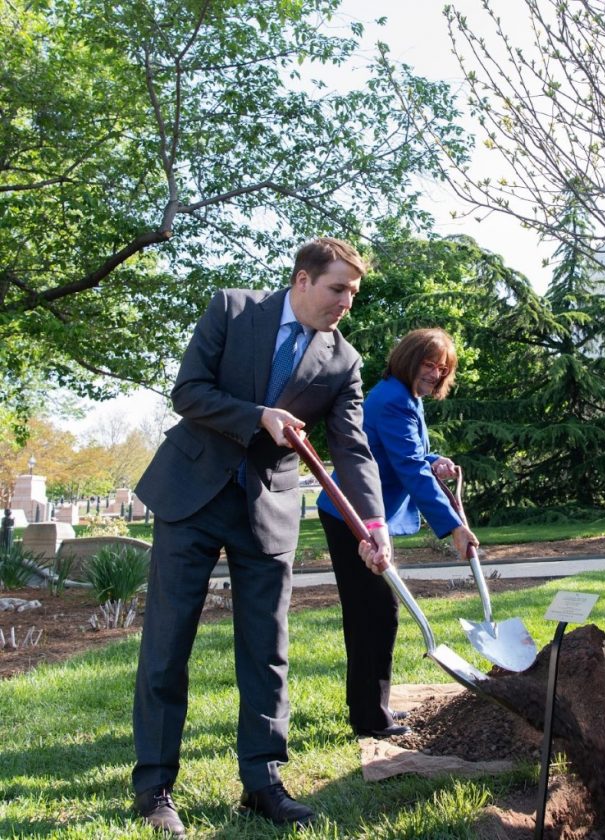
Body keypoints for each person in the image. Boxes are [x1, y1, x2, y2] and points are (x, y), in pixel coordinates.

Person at [131, 238, 391, 835]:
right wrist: (257, 416)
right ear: (302, 280)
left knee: (267, 650)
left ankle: (263, 780)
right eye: (337, 289)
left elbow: (353, 449)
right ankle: (154, 786)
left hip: (267, 511)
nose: (345, 303)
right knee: (168, 646)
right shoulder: (231, 309)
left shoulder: (342, 361)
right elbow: (188, 392)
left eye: (353, 293)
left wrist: (371, 524)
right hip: (192, 495)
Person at [316, 327, 479, 738]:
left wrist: (435, 458)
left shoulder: (404, 398)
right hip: (351, 517)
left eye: (442, 369)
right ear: (409, 360)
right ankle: (371, 717)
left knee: (373, 614)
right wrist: (455, 527)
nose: (435, 374)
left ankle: (372, 709)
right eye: (429, 364)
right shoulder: (392, 401)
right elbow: (409, 469)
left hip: (360, 514)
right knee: (374, 614)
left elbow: (409, 454)